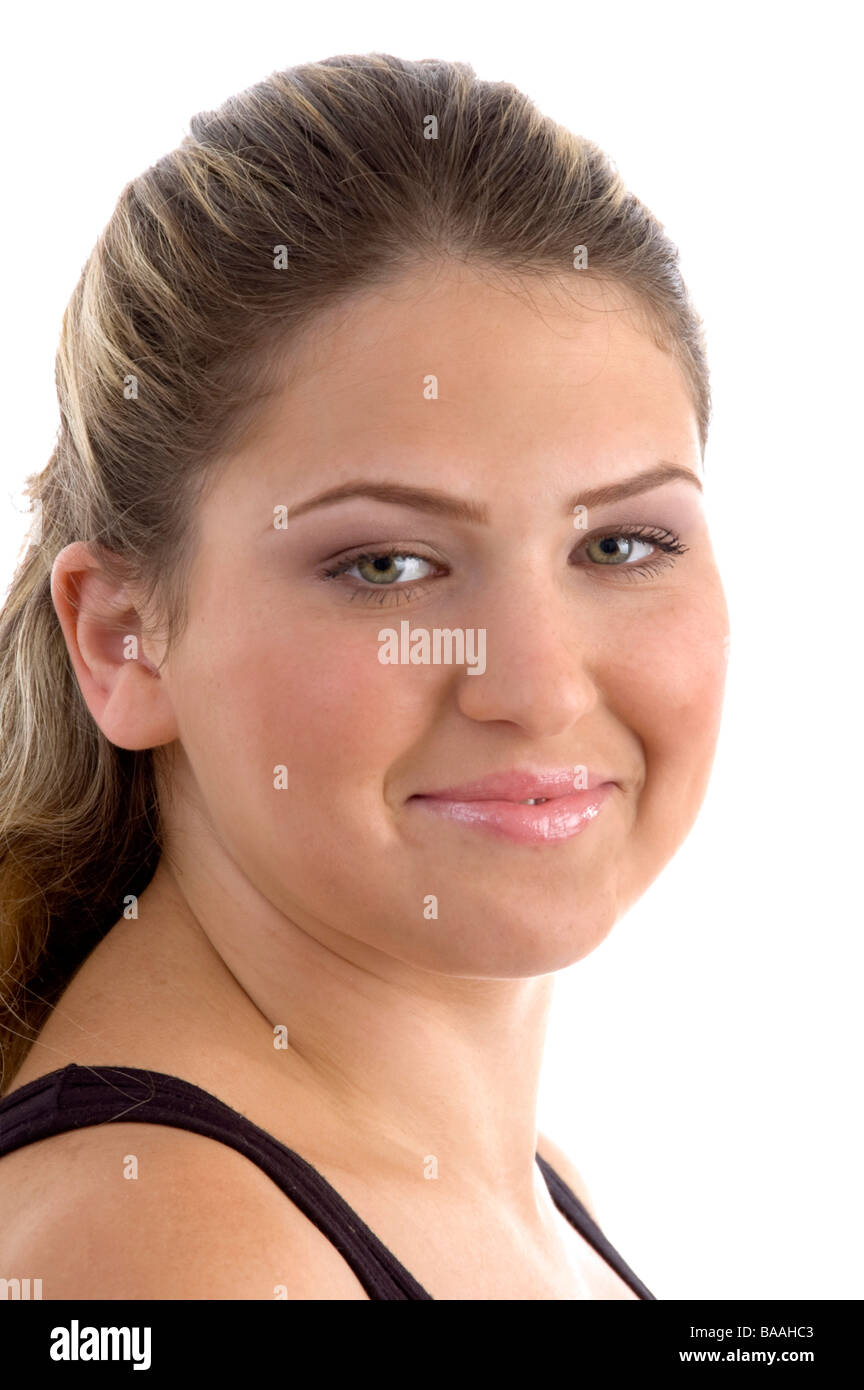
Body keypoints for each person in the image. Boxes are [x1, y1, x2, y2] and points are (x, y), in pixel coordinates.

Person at [0, 53, 728, 1299]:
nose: (539, 688)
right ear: (124, 637)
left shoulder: (521, 1186)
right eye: (386, 563)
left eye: (620, 543)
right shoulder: (163, 1257)